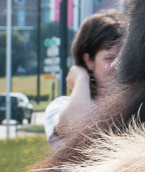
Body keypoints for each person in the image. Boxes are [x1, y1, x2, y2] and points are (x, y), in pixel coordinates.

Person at [45, 10, 125, 146]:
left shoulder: (136, 108)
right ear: (88, 60)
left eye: (123, 59)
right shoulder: (60, 106)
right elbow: (76, 128)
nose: (118, 66)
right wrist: (81, 78)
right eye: (110, 58)